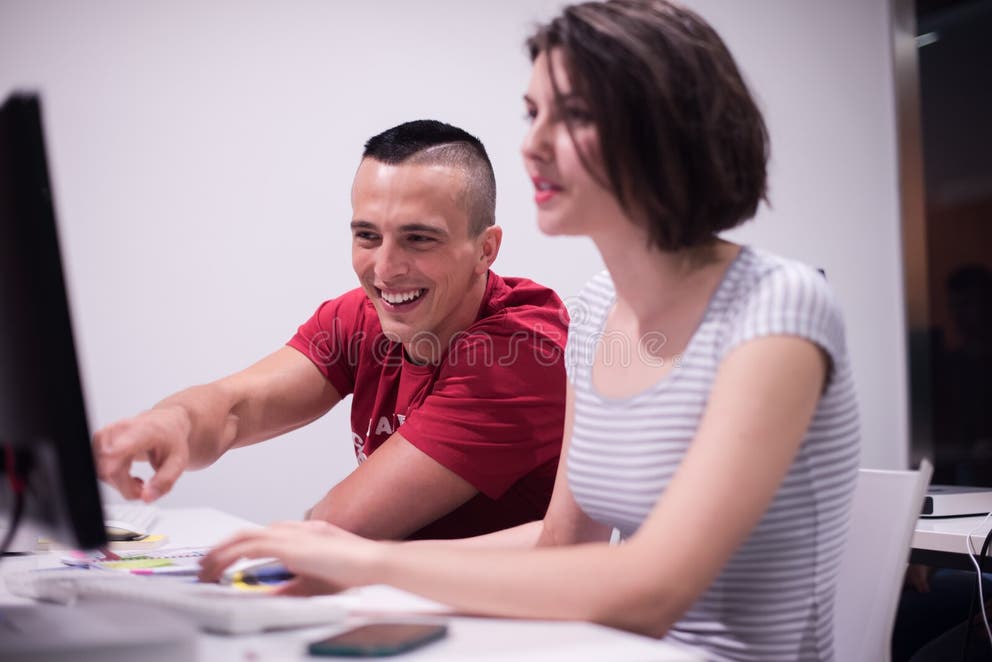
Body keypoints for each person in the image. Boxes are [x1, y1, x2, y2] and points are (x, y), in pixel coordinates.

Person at [200, 2, 861, 659]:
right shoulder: (600, 307)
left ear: (667, 129)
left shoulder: (780, 305)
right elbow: (565, 547)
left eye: (572, 115)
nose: (531, 144)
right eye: (533, 112)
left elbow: (652, 591)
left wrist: (372, 566)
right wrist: (348, 563)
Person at [94, 120, 568, 540]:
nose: (384, 269)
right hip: (403, 610)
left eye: (418, 238)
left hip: (516, 632)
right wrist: (170, 423)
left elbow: (334, 529)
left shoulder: (522, 351)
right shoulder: (362, 316)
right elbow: (237, 408)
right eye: (367, 235)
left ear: (486, 249)